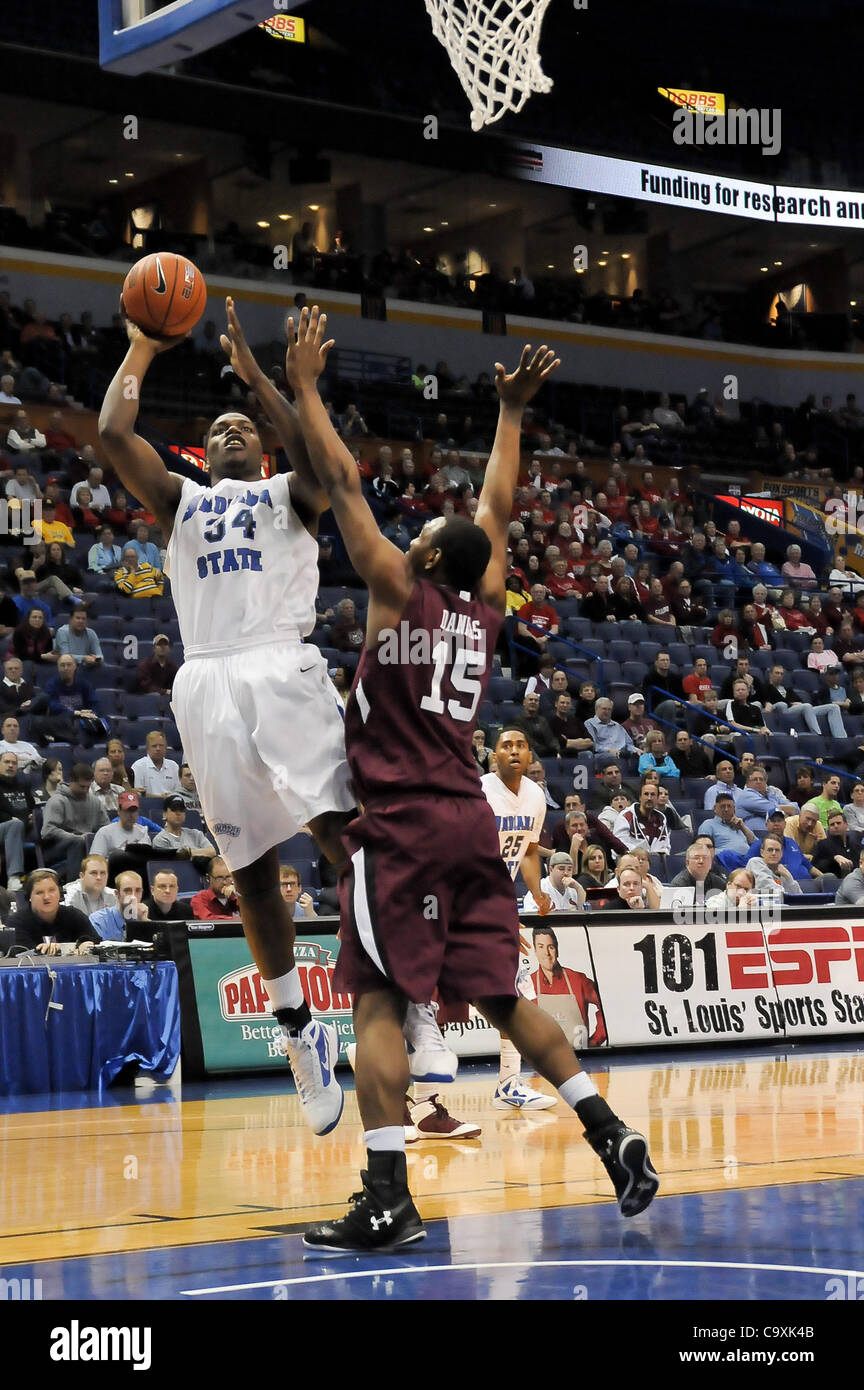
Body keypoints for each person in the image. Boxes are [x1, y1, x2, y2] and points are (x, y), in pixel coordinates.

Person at [286, 313, 656, 1252]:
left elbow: (337, 481)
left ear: (418, 558)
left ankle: (385, 1194)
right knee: (499, 997)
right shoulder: (483, 614)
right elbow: (495, 512)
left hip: (402, 826)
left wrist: (308, 389)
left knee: (373, 1000)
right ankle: (608, 1133)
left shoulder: (390, 587)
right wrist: (509, 414)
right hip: (468, 821)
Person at [100, 296, 357, 1137]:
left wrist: (263, 381)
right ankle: (298, 1030)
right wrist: (142, 346)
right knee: (248, 869)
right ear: (202, 455)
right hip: (207, 678)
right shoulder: (179, 502)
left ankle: (403, 992)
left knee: (340, 836)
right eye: (218, 427)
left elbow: (324, 462)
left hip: (281, 659)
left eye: (243, 423)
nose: (232, 429)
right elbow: (112, 434)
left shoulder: (291, 490)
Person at [530, 925, 606, 1047]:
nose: (546, 953)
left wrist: (596, 1039)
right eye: (540, 947)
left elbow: (607, 1006)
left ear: (557, 950)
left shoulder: (578, 980)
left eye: (551, 947)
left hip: (581, 1060)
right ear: (535, 951)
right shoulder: (528, 984)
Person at [12, 869, 97, 952]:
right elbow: (19, 952)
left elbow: (96, 941)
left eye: (51, 890)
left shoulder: (73, 915)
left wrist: (86, 944)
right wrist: (41, 951)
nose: (46, 897)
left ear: (60, 893)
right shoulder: (17, 922)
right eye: (39, 892)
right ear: (29, 897)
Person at [152, 794, 217, 865]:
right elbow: (172, 861)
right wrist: (200, 852)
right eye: (174, 809)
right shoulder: (160, 839)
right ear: (164, 814)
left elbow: (212, 851)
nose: (178, 813)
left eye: (181, 810)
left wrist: (189, 853)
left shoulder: (196, 834)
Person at [89, 869, 151, 941]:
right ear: (116, 893)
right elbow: (98, 951)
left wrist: (144, 923)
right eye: (127, 891)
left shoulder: (143, 918)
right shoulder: (99, 921)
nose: (133, 896)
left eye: (138, 891)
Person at [612, 780, 671, 854]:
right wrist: (643, 853)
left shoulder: (661, 818)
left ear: (657, 798)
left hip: (655, 861)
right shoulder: (626, 816)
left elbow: (666, 846)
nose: (649, 798)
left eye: (653, 795)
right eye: (646, 794)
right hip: (631, 860)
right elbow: (619, 843)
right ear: (640, 797)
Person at [522, 851, 586, 912]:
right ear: (551, 869)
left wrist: (578, 887)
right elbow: (531, 918)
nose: (566, 873)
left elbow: (582, 913)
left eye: (569, 869)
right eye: (561, 869)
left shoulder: (574, 888)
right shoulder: (539, 889)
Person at [746, 834, 803, 899]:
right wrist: (787, 895)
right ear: (762, 852)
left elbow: (799, 897)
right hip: (754, 907)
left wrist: (789, 877)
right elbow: (769, 888)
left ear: (781, 853)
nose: (773, 853)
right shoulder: (755, 862)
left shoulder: (782, 871)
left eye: (777, 850)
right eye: (770, 850)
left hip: (778, 907)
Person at [131, 731, 181, 800]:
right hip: (148, 806)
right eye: (154, 746)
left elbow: (179, 792)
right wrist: (160, 797)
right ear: (148, 749)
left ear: (166, 748)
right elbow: (138, 794)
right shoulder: (138, 766)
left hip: (171, 805)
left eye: (161, 745)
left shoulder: (174, 766)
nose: (158, 749)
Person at [812, 810, 861, 876]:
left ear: (846, 825)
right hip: (834, 880)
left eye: (838, 823)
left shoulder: (855, 841)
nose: (836, 826)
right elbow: (815, 866)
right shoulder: (823, 844)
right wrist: (834, 859)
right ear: (828, 828)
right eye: (832, 824)